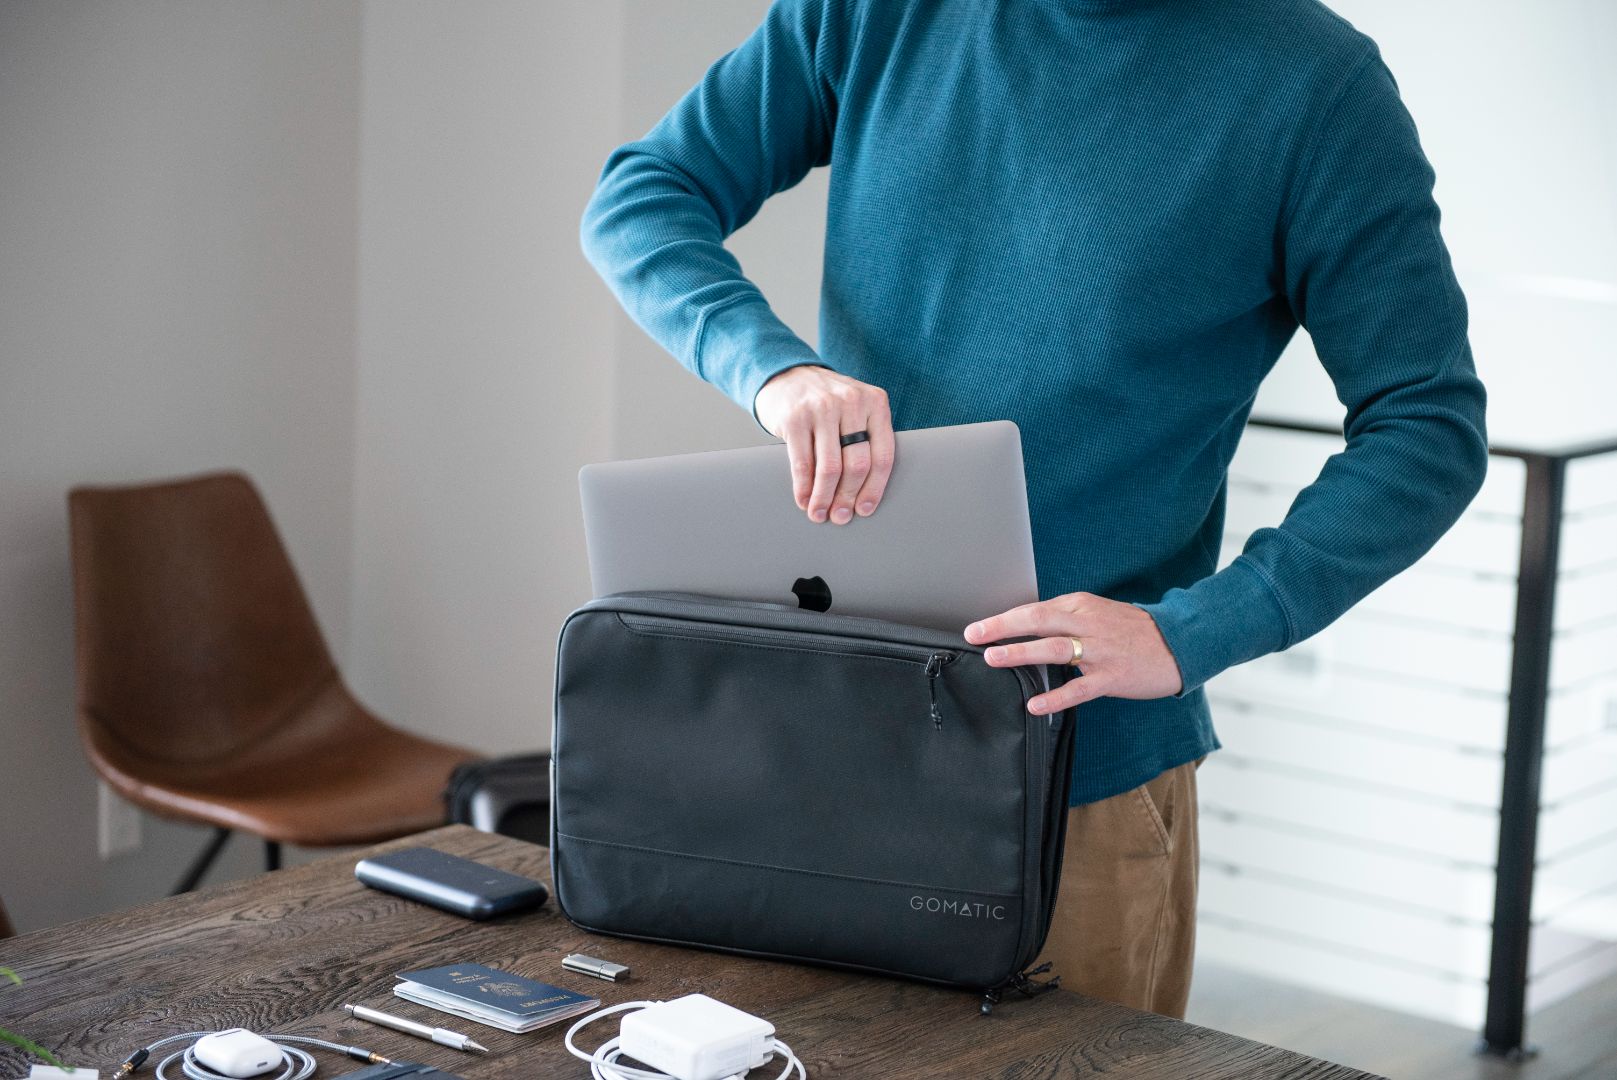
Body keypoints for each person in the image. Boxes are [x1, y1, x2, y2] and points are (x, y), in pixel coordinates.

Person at [581, 0, 1487, 1019]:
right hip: (818, 738)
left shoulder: (1315, 83)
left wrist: (1193, 631)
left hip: (1074, 776)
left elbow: (1429, 424)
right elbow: (641, 197)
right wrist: (773, 370)